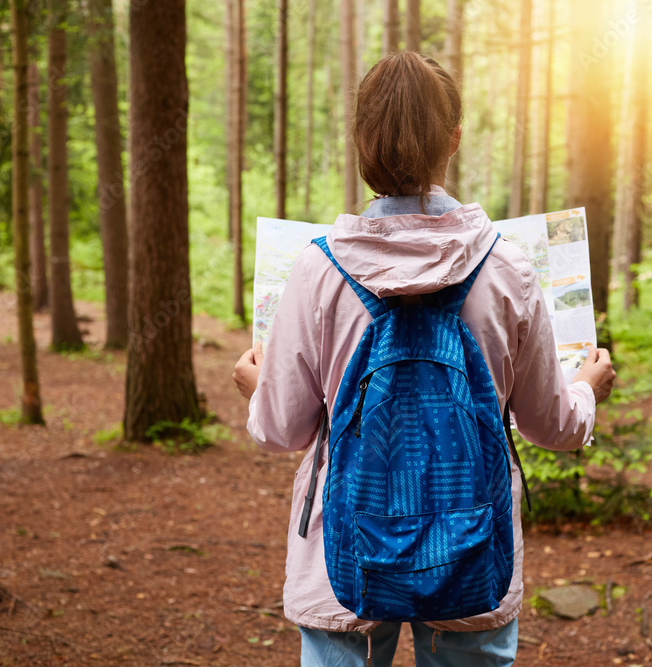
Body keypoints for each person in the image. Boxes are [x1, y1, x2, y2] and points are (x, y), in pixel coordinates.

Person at [233, 51, 615, 667]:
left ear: (361, 140)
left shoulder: (317, 268)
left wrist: (255, 384)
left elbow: (282, 429)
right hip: (474, 542)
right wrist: (588, 386)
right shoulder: (508, 267)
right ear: (454, 140)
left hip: (344, 553)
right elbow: (555, 428)